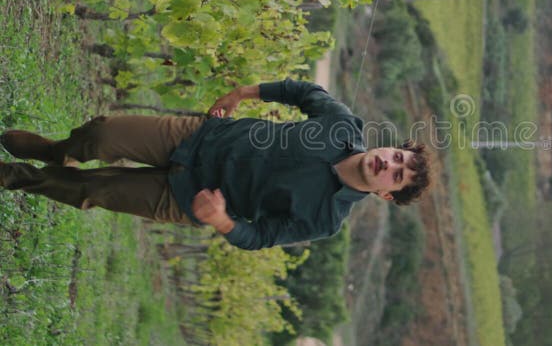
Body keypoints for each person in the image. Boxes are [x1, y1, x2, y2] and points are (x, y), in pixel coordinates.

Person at [0, 79, 431, 250]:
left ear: (387, 194)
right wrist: (242, 93)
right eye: (396, 156)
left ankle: (14, 177)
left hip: (191, 198)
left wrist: (223, 222)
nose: (387, 164)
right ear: (391, 147)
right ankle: (56, 152)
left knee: (91, 191)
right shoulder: (341, 126)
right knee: (103, 133)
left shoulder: (324, 218)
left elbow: (261, 235)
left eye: (396, 174)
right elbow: (305, 92)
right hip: (195, 140)